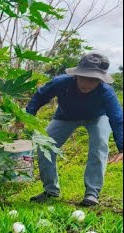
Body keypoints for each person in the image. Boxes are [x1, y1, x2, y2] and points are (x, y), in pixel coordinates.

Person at [25, 52, 123, 207]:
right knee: (45, 144)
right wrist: (26, 117)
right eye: (84, 77)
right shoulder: (60, 82)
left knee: (99, 146)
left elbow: (117, 118)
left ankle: (92, 193)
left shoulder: (106, 92)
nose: (87, 83)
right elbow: (40, 96)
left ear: (100, 80)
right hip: (65, 116)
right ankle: (50, 190)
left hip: (97, 117)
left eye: (93, 80)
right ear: (76, 75)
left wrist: (122, 147)